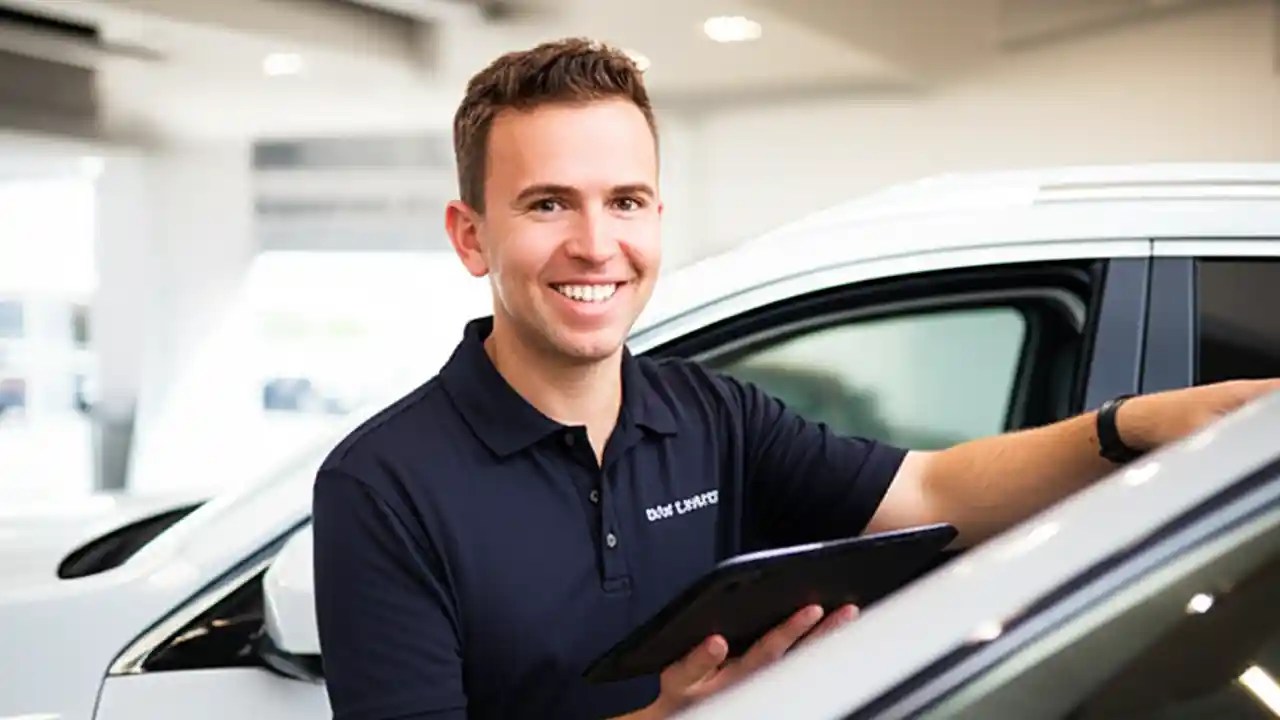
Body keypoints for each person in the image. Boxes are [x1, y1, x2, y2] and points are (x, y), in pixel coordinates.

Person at [311, 37, 1280, 720]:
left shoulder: (709, 415)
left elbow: (931, 491)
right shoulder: (383, 486)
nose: (596, 244)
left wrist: (1134, 427)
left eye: (627, 200)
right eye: (546, 204)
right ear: (470, 235)